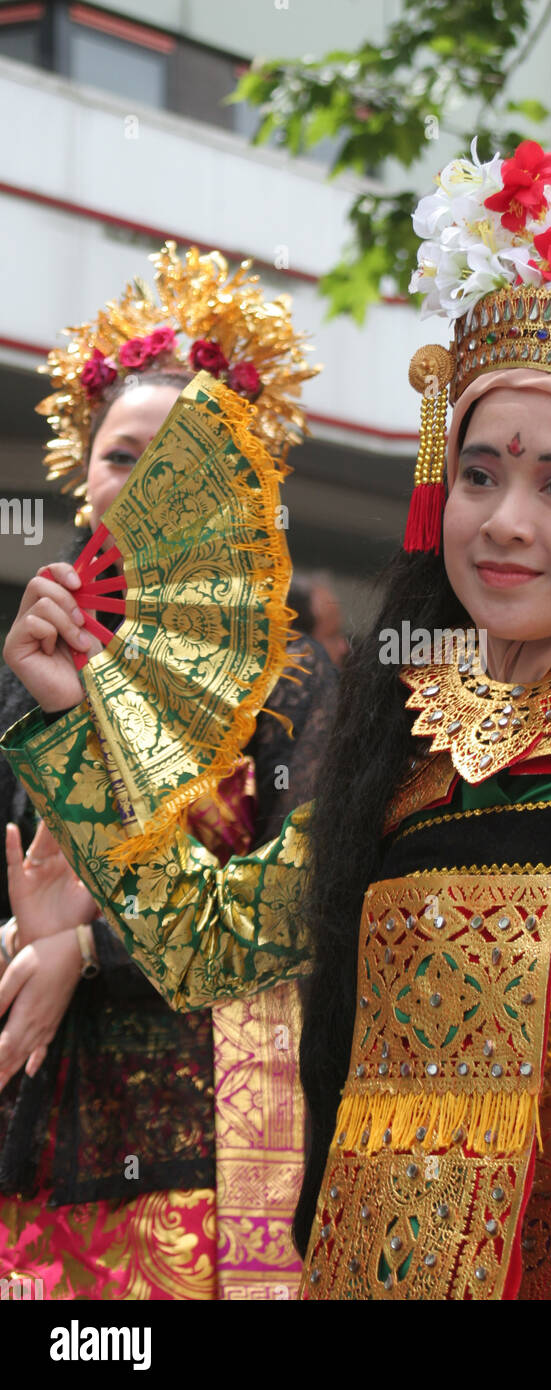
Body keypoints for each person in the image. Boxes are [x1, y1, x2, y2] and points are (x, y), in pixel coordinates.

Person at [4, 138, 551, 1300]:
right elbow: (219, 944)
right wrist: (90, 784)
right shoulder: (404, 735)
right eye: (477, 476)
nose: (504, 519)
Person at [0, 243, 335, 1298]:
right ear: (84, 477)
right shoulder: (25, 668)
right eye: (119, 454)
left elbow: (290, 914)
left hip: (216, 1129)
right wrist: (24, 941)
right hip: (35, 1116)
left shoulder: (297, 680)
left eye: (179, 456)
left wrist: (86, 952)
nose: (139, 482)